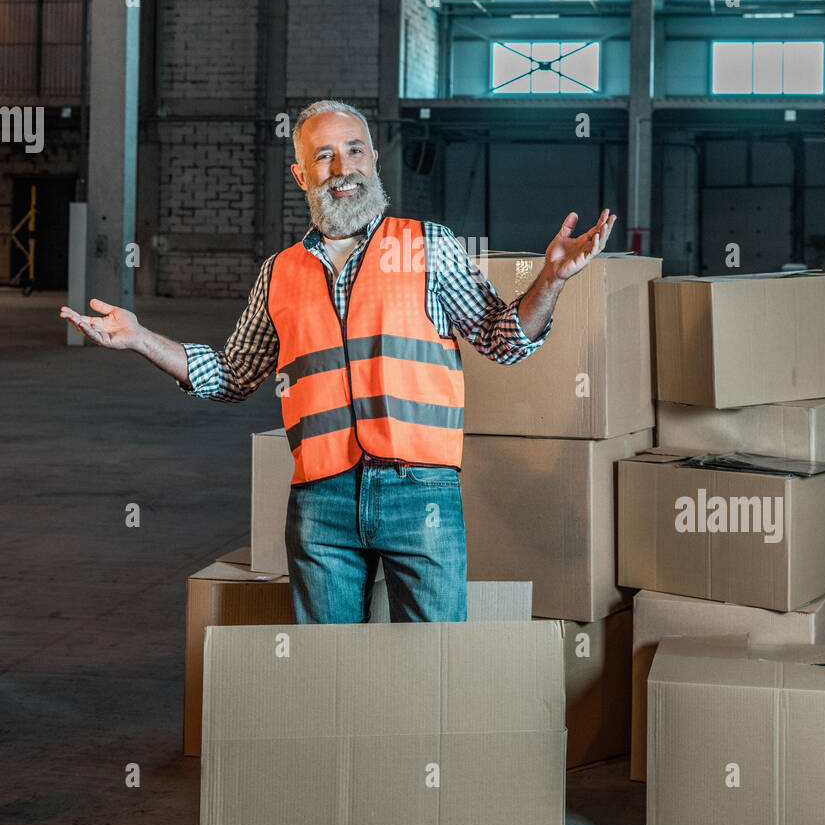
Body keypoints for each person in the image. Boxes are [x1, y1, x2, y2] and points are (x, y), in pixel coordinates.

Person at [61, 98, 616, 624]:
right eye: (323, 155)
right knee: (328, 674)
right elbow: (231, 376)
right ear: (302, 176)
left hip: (420, 492)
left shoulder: (430, 245)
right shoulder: (279, 273)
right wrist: (139, 339)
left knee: (435, 666)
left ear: (374, 159)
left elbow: (505, 341)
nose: (341, 167)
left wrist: (551, 278)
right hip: (320, 500)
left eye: (353, 150)